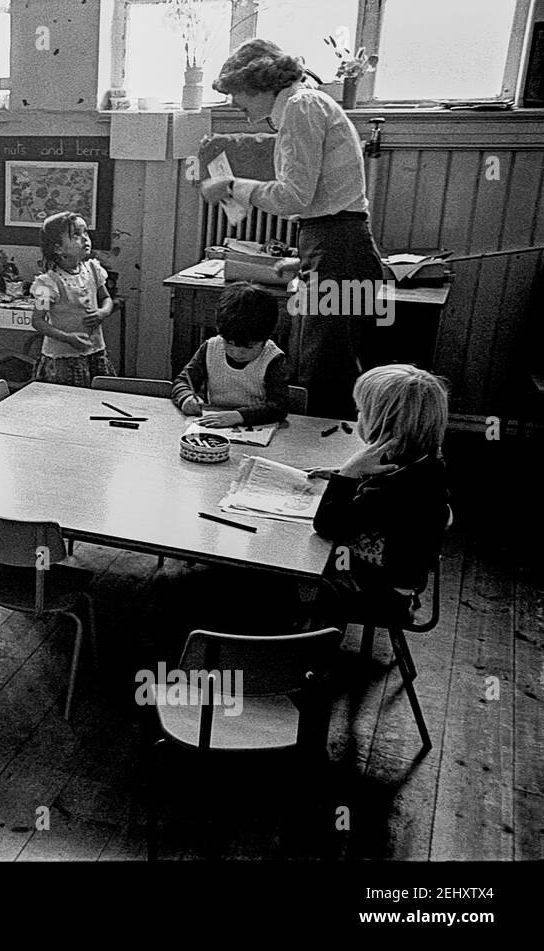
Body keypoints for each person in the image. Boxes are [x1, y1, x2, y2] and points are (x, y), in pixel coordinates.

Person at [202, 38, 385, 419]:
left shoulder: (302, 106)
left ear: (260, 85)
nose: (237, 105)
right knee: (326, 358)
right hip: (335, 243)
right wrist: (304, 262)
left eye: (239, 95)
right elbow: (326, 201)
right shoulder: (307, 105)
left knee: (326, 366)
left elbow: (295, 198)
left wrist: (234, 186)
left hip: (338, 246)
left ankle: (330, 467)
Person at [311, 364, 450, 626]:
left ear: (384, 423)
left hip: (376, 597)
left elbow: (327, 525)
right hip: (398, 581)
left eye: (362, 411)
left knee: (294, 577)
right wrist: (345, 474)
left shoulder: (395, 489)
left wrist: (348, 473)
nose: (358, 416)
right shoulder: (425, 461)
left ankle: (313, 655)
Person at [171, 281, 290, 426]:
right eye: (229, 343)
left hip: (257, 427)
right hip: (214, 424)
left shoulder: (272, 358)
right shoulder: (212, 347)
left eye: (249, 347)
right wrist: (186, 397)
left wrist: (238, 416)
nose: (237, 353)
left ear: (265, 339)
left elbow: (278, 408)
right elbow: (183, 381)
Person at [29, 212, 117, 387]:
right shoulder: (47, 283)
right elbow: (37, 321)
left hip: (95, 352)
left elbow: (106, 298)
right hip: (63, 360)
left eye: (85, 233)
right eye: (76, 235)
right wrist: (68, 338)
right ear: (58, 249)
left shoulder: (93, 270)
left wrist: (102, 312)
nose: (85, 238)